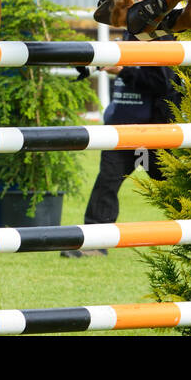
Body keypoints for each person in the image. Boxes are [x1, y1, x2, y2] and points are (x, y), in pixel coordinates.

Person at [62, 40, 182, 258]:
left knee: (176, 186)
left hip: (153, 133)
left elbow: (162, 83)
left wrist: (124, 71)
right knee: (106, 182)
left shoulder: (160, 41)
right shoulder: (127, 37)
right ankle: (95, 244)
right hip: (120, 128)